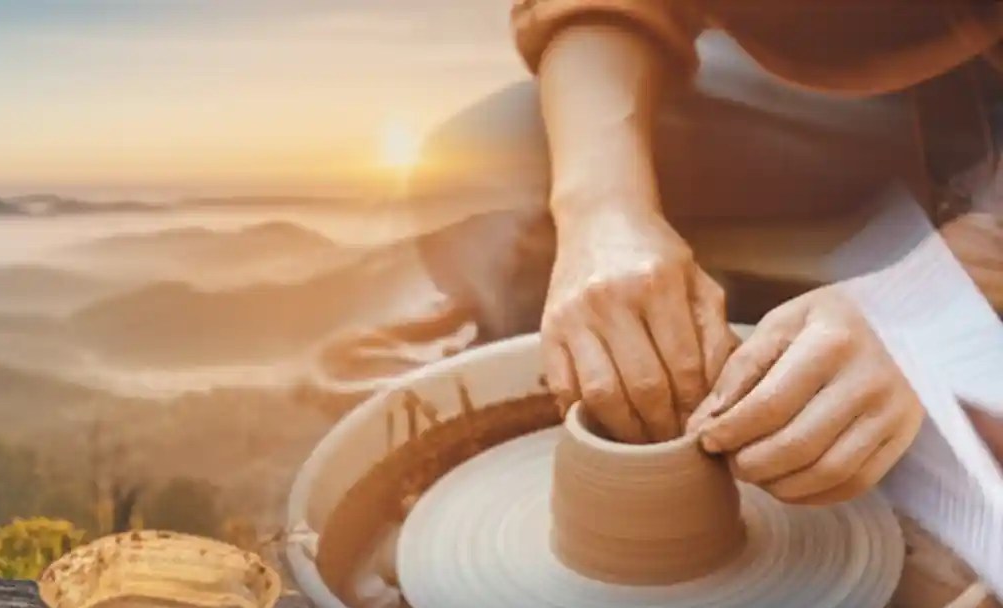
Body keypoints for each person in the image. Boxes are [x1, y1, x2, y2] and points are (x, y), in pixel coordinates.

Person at [317, 1, 1003, 506]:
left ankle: (861, 414)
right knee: (489, 159)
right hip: (905, 108)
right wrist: (602, 210)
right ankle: (577, 413)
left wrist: (934, 303)